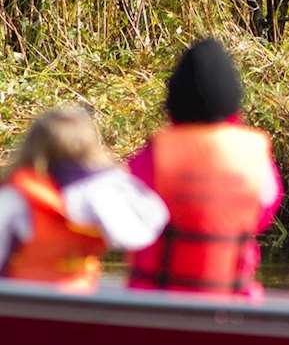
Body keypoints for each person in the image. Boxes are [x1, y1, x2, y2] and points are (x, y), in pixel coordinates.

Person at [127, 38, 282, 297]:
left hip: (156, 307)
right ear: (233, 100)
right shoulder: (255, 158)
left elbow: (127, 216)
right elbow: (264, 212)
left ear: (174, 100)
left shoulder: (154, 156)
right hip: (233, 307)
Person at [0, 106, 168, 291]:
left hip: (20, 306)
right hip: (81, 304)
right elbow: (139, 233)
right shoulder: (101, 193)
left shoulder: (16, 196)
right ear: (91, 147)